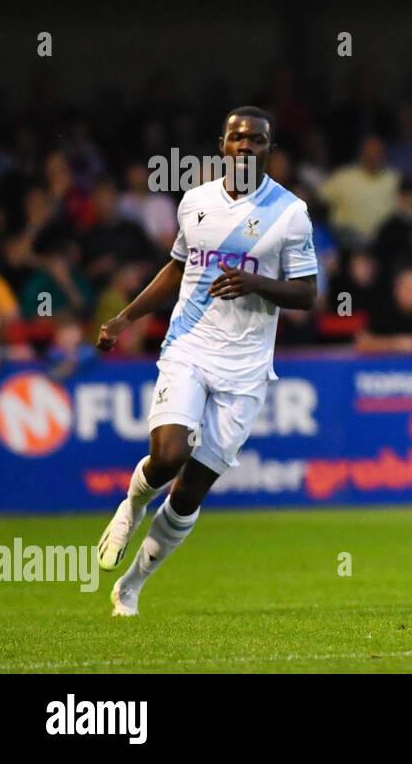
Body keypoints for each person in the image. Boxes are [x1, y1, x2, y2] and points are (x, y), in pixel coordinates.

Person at [94, 107, 318, 616]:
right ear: (223, 144)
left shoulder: (290, 213)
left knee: (191, 489)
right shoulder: (195, 202)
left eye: (257, 140)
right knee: (169, 455)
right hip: (190, 347)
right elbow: (177, 268)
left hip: (246, 368)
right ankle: (130, 506)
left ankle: (132, 585)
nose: (246, 147)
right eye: (238, 138)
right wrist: (125, 320)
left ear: (268, 149)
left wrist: (258, 282)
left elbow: (307, 294)